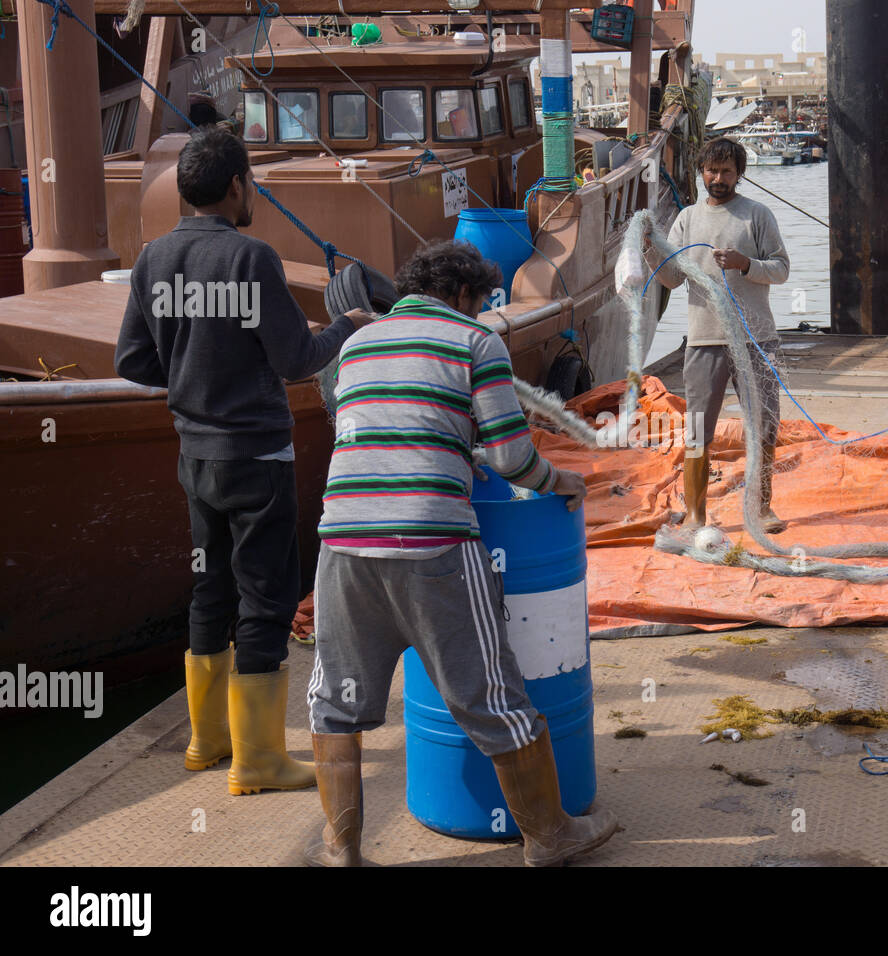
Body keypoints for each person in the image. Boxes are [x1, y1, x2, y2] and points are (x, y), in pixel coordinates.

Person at [304, 239, 615, 867]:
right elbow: (511, 459)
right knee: (491, 696)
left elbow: (368, 427)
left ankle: (341, 852)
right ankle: (550, 836)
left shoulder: (356, 344)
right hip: (432, 541)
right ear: (467, 296)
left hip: (342, 538)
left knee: (333, 700)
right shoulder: (476, 342)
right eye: (479, 304)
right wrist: (562, 481)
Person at [115, 126, 367, 795]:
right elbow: (297, 361)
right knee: (266, 599)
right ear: (235, 187)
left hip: (195, 458)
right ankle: (258, 762)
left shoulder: (152, 258)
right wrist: (349, 325)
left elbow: (132, 360)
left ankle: (206, 742)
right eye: (250, 182)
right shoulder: (250, 259)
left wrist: (191, 372)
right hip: (256, 457)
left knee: (210, 591)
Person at [648, 137, 791, 532]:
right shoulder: (686, 220)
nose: (719, 178)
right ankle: (696, 515)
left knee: (763, 424)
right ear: (701, 172)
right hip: (703, 341)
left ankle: (761, 509)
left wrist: (747, 264)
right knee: (697, 430)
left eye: (727, 171)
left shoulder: (757, 215)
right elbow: (673, 280)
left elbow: (781, 269)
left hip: (756, 340)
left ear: (740, 174)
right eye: (712, 170)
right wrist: (650, 252)